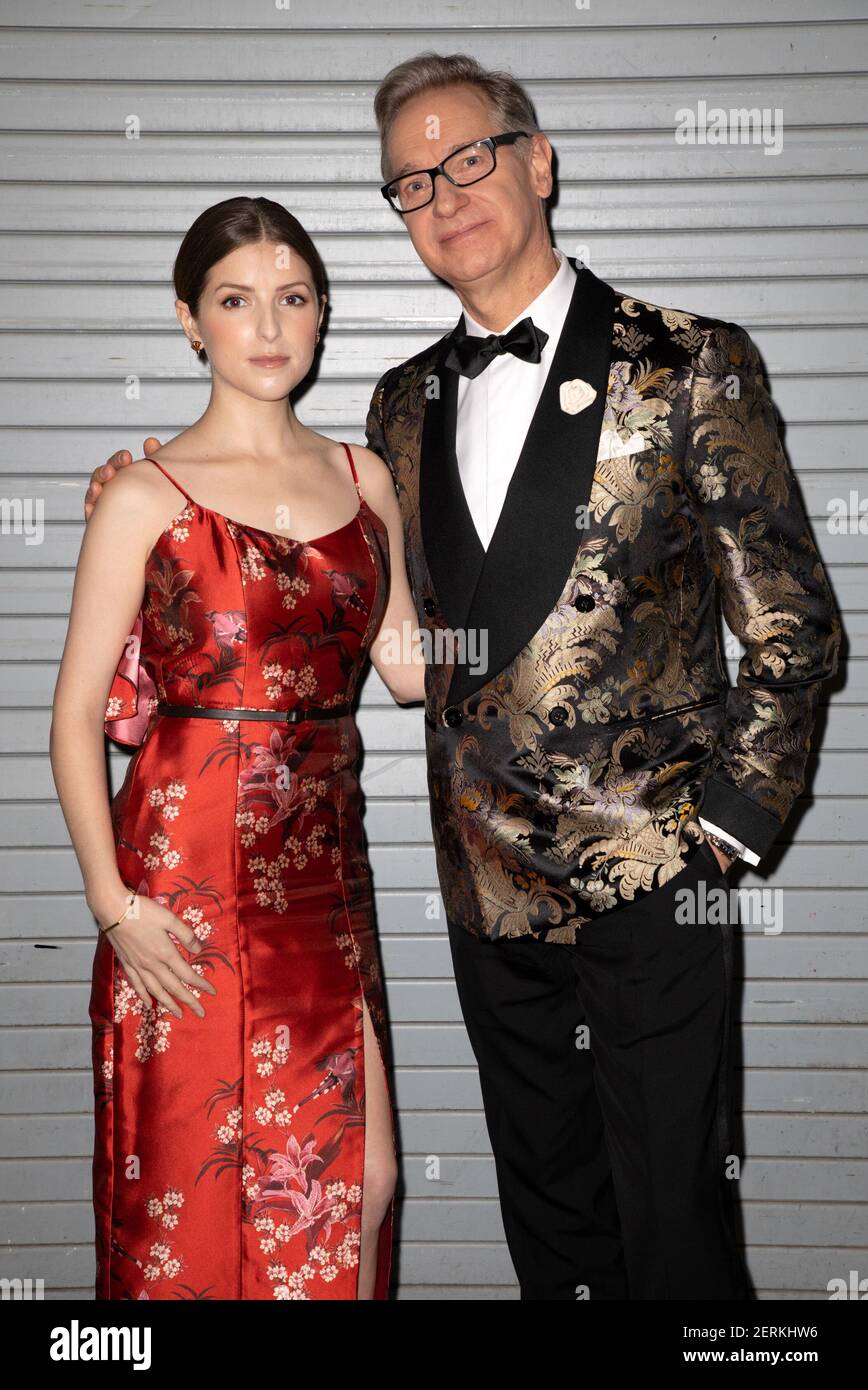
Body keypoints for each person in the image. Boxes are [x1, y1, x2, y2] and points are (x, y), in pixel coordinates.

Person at [85, 55, 843, 1300]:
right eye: (411, 181)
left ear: (537, 161)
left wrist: (730, 826)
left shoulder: (686, 358)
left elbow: (792, 624)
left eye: (471, 157)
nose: (445, 193)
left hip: (656, 874)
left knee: (678, 1243)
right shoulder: (397, 408)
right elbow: (383, 645)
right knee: (551, 1234)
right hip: (485, 895)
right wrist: (153, 530)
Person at [52, 195, 426, 1300]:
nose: (268, 326)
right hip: (184, 882)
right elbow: (75, 716)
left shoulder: (365, 479)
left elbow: (412, 664)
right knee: (195, 1199)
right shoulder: (142, 493)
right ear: (189, 320)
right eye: (235, 300)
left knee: (362, 1182)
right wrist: (113, 905)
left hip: (322, 880)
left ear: (321, 314)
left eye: (293, 297)